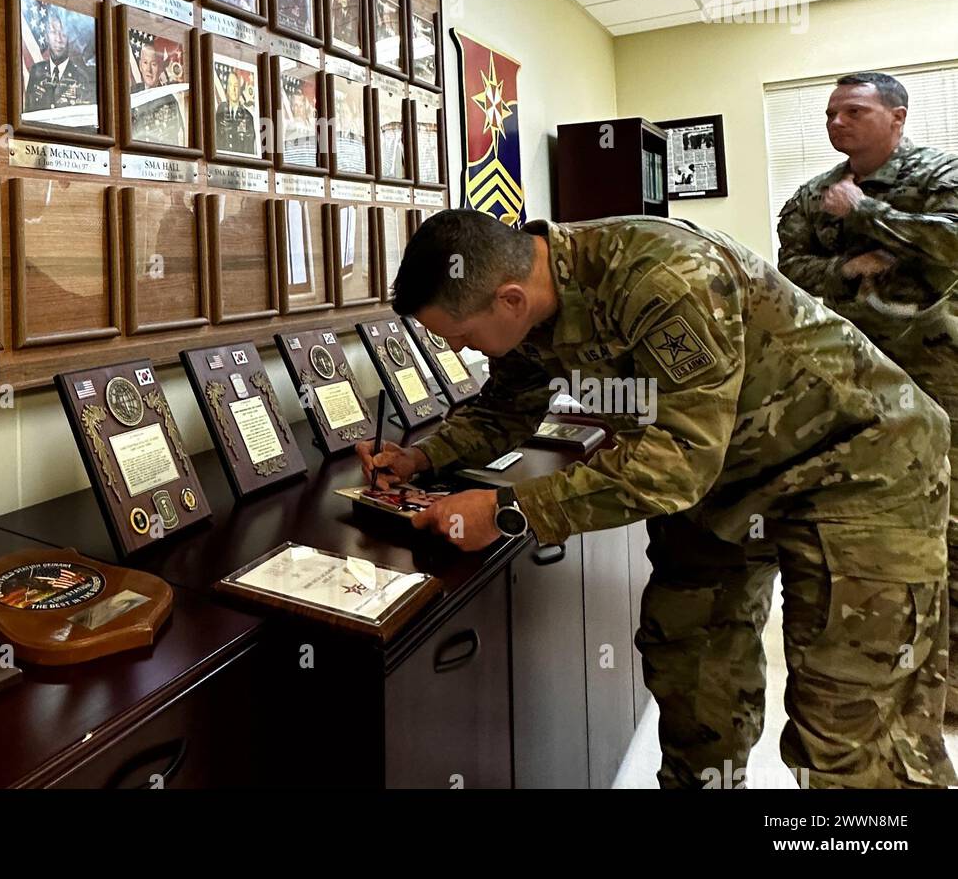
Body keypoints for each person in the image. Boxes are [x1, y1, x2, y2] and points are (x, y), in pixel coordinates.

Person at [360, 207, 954, 790]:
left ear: (509, 299)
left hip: (857, 468)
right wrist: (422, 457)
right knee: (691, 673)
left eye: (461, 337)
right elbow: (505, 407)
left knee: (849, 733)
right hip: (725, 482)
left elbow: (679, 464)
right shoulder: (528, 305)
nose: (462, 352)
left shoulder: (662, 278)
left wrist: (508, 511)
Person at [777, 69, 958, 716]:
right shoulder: (811, 196)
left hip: (935, 378)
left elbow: (952, 250)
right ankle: (878, 663)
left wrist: (869, 215)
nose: (836, 124)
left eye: (852, 111)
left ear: (898, 116)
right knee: (859, 519)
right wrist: (848, 266)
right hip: (847, 382)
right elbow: (791, 277)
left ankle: (949, 679)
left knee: (947, 521)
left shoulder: (941, 176)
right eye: (829, 114)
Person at [23, 7, 95, 121]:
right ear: (46, 36)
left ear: (69, 37)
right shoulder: (36, 72)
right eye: (53, 32)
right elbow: (28, 115)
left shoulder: (82, 77)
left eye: (63, 33)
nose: (58, 39)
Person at [130, 37, 186, 146]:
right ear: (140, 66)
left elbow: (173, 139)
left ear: (160, 68)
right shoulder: (131, 93)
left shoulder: (169, 99)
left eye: (154, 64)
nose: (148, 70)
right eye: (145, 63)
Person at [215, 64, 256, 156]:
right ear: (227, 89)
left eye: (236, 86)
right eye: (230, 85)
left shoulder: (248, 117)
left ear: (240, 89)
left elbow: (249, 151)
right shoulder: (220, 111)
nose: (233, 89)